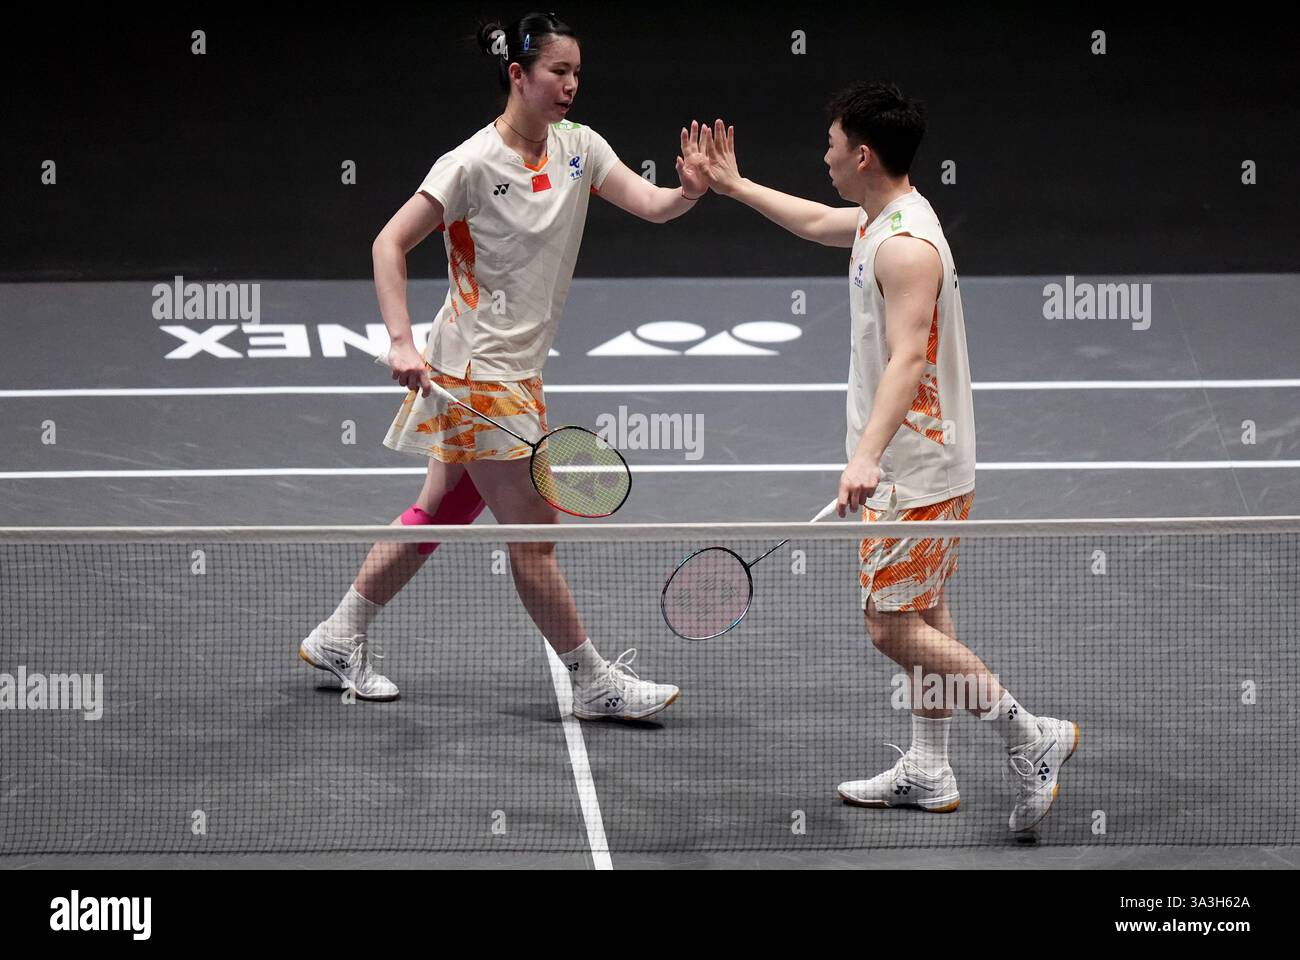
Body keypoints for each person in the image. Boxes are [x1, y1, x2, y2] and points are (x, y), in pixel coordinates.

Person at [300, 11, 710, 720]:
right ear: (518, 75)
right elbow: (388, 244)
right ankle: (593, 682)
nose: (571, 85)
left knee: (441, 510)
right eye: (558, 71)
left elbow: (650, 205)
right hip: (475, 374)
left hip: (517, 370)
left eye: (577, 72)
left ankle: (340, 634)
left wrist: (690, 192)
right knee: (536, 532)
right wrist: (401, 341)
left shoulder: (580, 149)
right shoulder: (467, 165)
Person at [694, 82, 1079, 832]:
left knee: (887, 625)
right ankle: (930, 770)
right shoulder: (884, 217)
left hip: (916, 471)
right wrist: (735, 186)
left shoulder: (905, 246)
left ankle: (1030, 736)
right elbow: (814, 220)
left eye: (832, 144)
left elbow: (907, 359)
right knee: (925, 614)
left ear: (862, 154)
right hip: (920, 462)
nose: (826, 155)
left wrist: (866, 457)